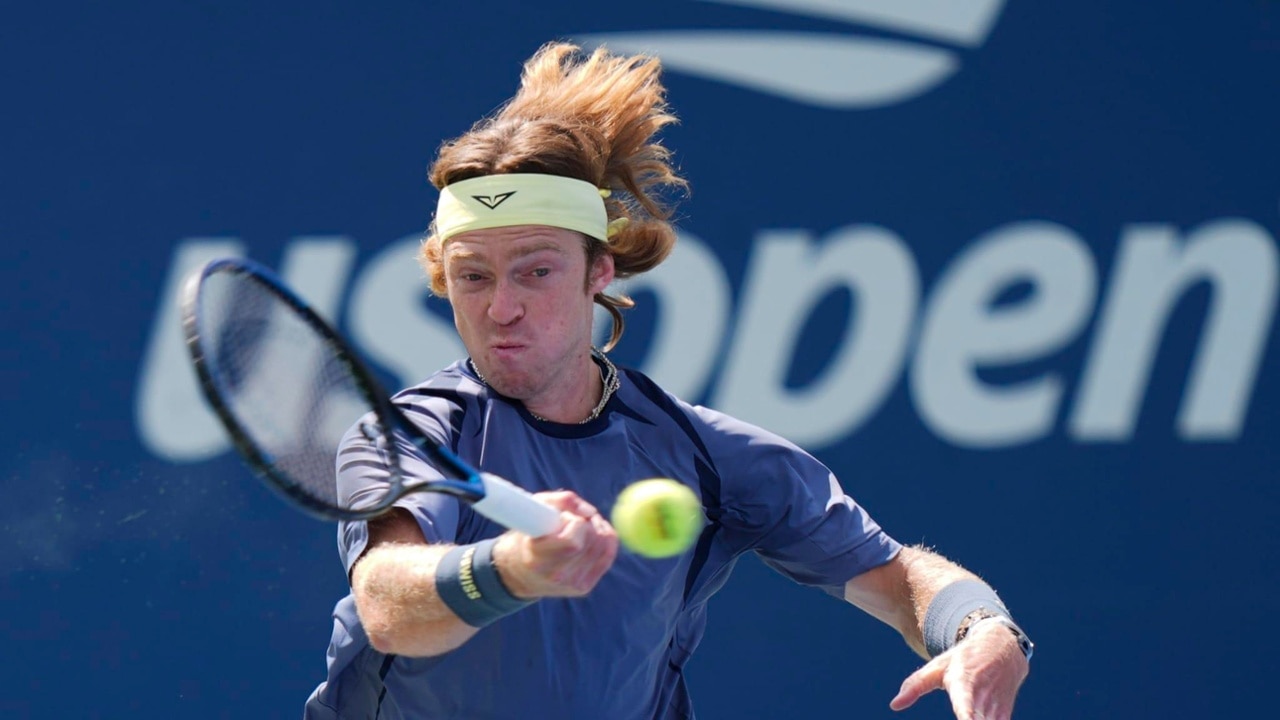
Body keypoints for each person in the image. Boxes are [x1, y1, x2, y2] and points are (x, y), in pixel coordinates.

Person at [303, 42, 1032, 720]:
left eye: (536, 270)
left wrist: (980, 627)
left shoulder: (703, 454)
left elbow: (900, 579)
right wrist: (513, 568)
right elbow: (388, 604)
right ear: (443, 283)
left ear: (599, 271)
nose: (501, 306)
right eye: (473, 277)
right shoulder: (415, 434)